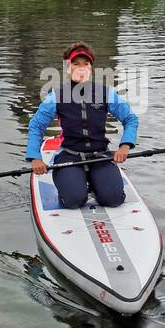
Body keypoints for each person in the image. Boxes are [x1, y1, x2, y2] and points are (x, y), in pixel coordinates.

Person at [25, 42, 139, 209]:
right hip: (70, 156)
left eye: (86, 64)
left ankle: (97, 183)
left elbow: (130, 119)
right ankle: (72, 185)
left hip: (101, 156)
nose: (81, 68)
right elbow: (36, 126)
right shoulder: (56, 96)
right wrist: (35, 157)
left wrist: (125, 146)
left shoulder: (105, 93)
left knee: (113, 200)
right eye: (75, 64)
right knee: (74, 201)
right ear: (68, 68)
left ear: (91, 68)